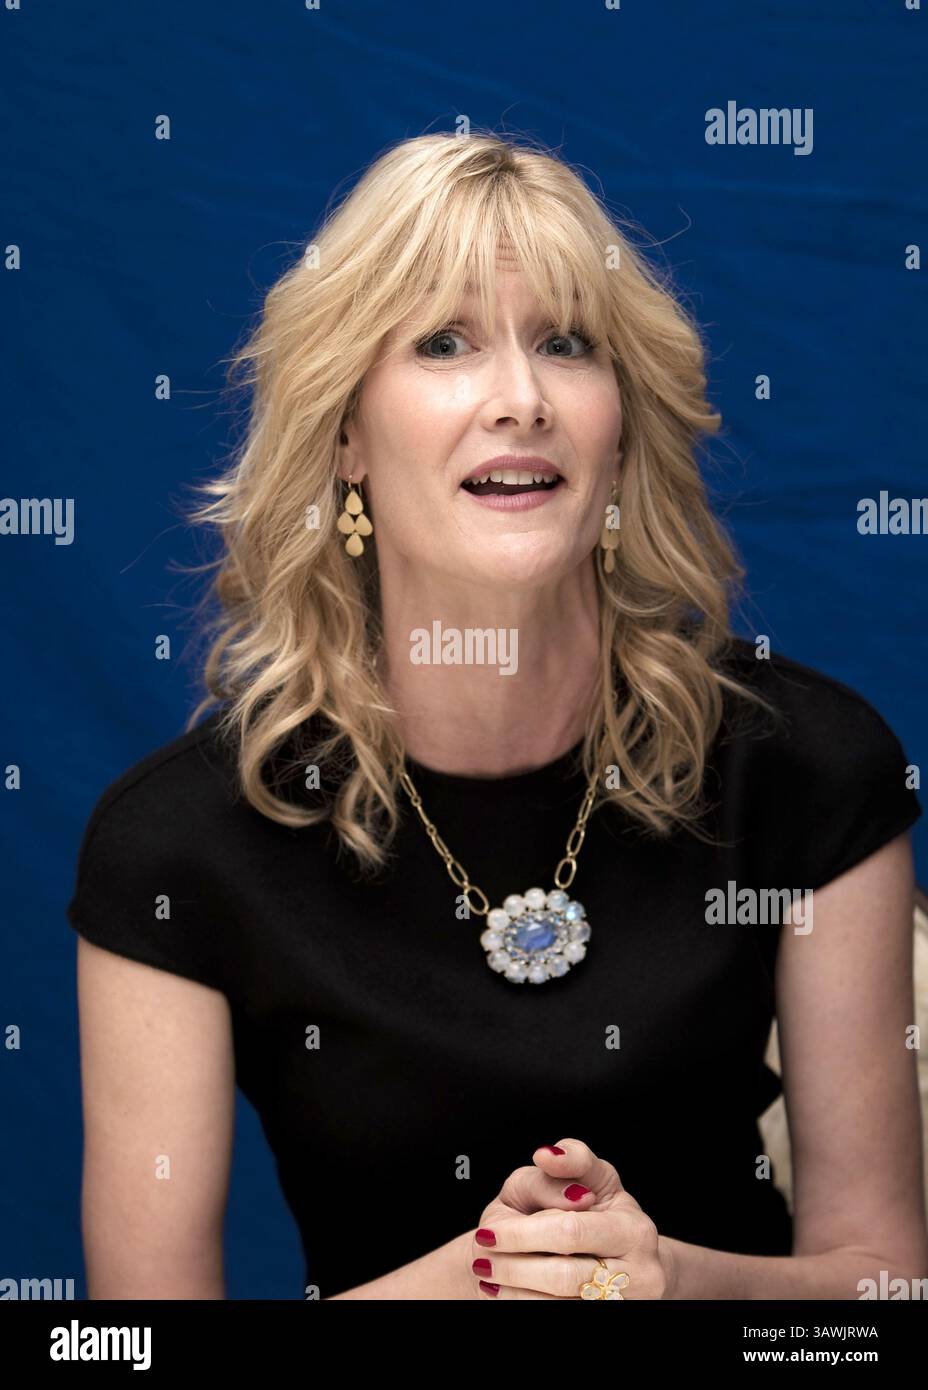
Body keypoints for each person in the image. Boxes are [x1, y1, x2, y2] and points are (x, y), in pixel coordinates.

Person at [67, 131, 927, 1300]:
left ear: (618, 428)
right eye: (444, 343)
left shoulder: (806, 768)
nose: (518, 398)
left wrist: (667, 1278)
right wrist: (488, 1282)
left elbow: (880, 1301)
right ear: (344, 437)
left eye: (566, 344)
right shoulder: (179, 845)